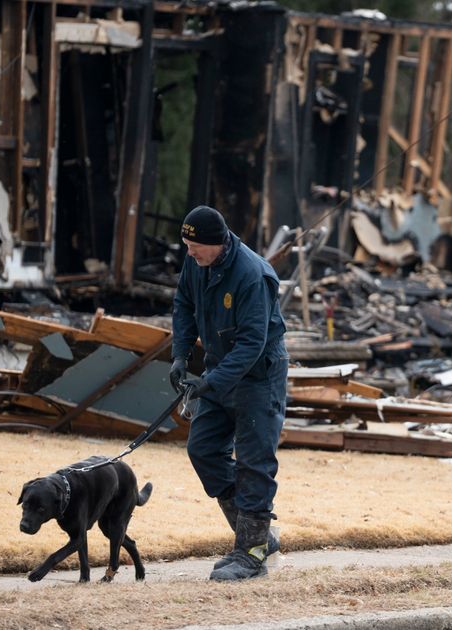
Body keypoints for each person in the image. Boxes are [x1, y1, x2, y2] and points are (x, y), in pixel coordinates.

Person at [169, 205, 289, 580]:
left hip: (257, 376)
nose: (189, 252)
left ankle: (250, 554)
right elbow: (184, 304)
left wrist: (212, 382)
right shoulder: (197, 263)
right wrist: (180, 354)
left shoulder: (253, 275)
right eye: (186, 245)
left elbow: (253, 342)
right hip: (219, 370)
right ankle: (256, 536)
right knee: (202, 448)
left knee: (255, 463)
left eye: (194, 246)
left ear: (216, 243)